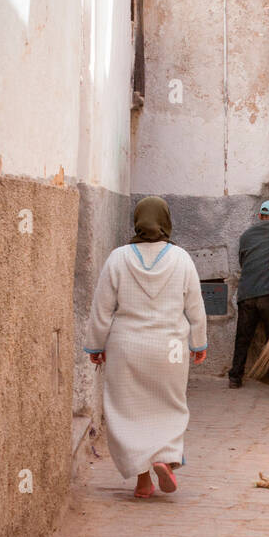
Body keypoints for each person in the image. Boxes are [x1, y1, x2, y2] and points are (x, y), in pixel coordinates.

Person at [84, 196, 207, 499]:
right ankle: (164, 458)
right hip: (170, 348)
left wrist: (95, 345)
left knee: (128, 410)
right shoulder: (181, 258)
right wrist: (198, 342)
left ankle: (142, 480)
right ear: (166, 221)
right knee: (169, 405)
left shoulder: (118, 258)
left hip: (127, 346)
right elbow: (195, 307)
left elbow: (102, 308)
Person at [228, 199, 269, 387]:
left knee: (243, 338)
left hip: (246, 293)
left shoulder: (245, 236)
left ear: (259, 215)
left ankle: (235, 377)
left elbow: (242, 262)